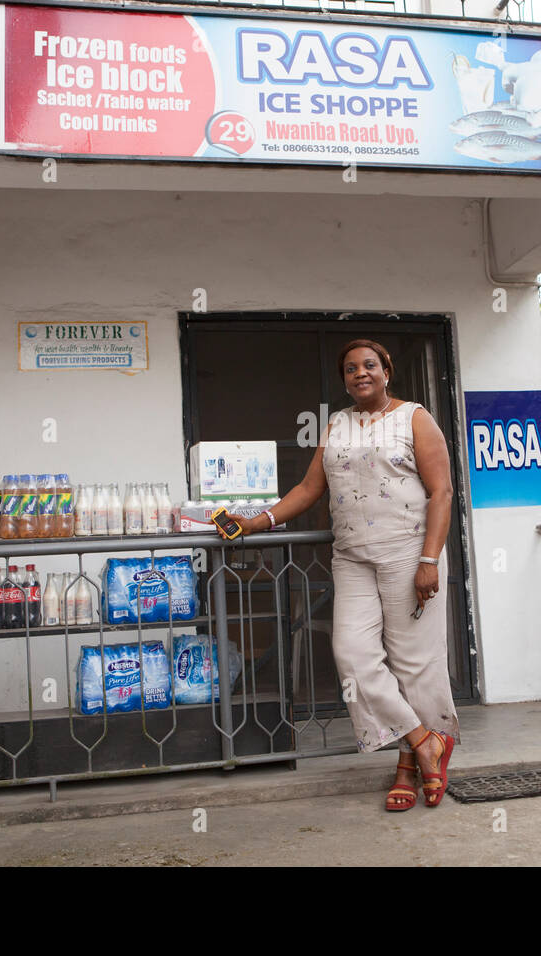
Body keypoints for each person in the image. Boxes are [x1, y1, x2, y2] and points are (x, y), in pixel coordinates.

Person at [216, 339, 459, 811]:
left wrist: (429, 559)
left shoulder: (414, 417)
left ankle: (410, 764)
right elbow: (310, 487)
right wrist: (256, 520)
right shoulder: (337, 424)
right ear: (344, 379)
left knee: (413, 663)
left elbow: (442, 491)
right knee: (351, 654)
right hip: (352, 557)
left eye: (369, 365)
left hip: (408, 553)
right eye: (350, 369)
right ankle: (425, 739)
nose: (360, 373)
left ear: (387, 371)